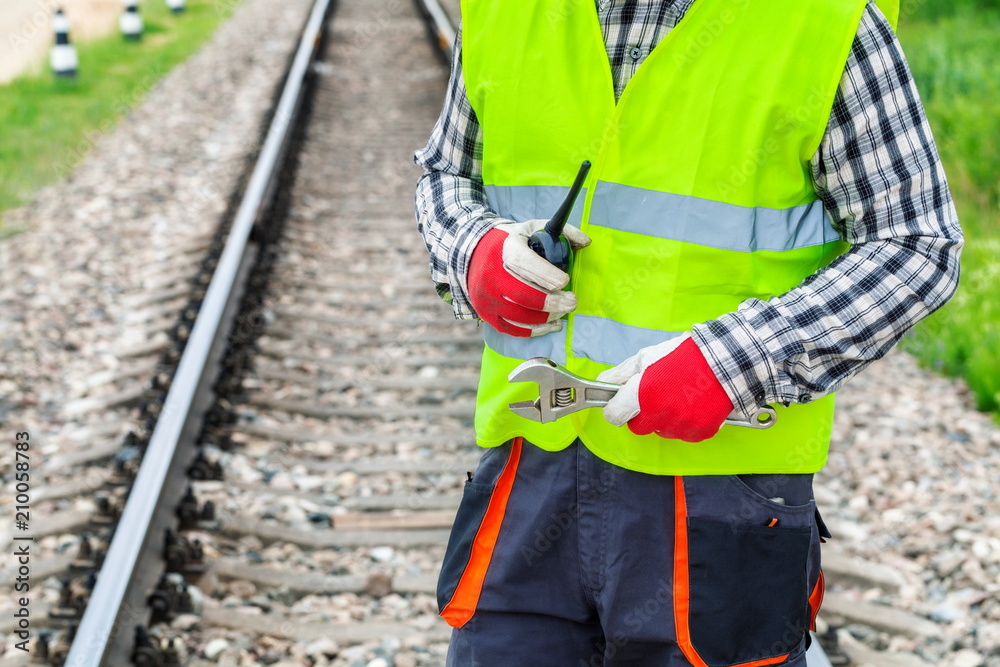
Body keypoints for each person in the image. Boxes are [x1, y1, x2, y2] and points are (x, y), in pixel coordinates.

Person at [414, 0, 963, 664]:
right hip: (529, 465)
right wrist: (472, 250)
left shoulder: (827, 21)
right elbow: (446, 174)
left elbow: (917, 243)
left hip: (719, 487)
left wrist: (737, 360)